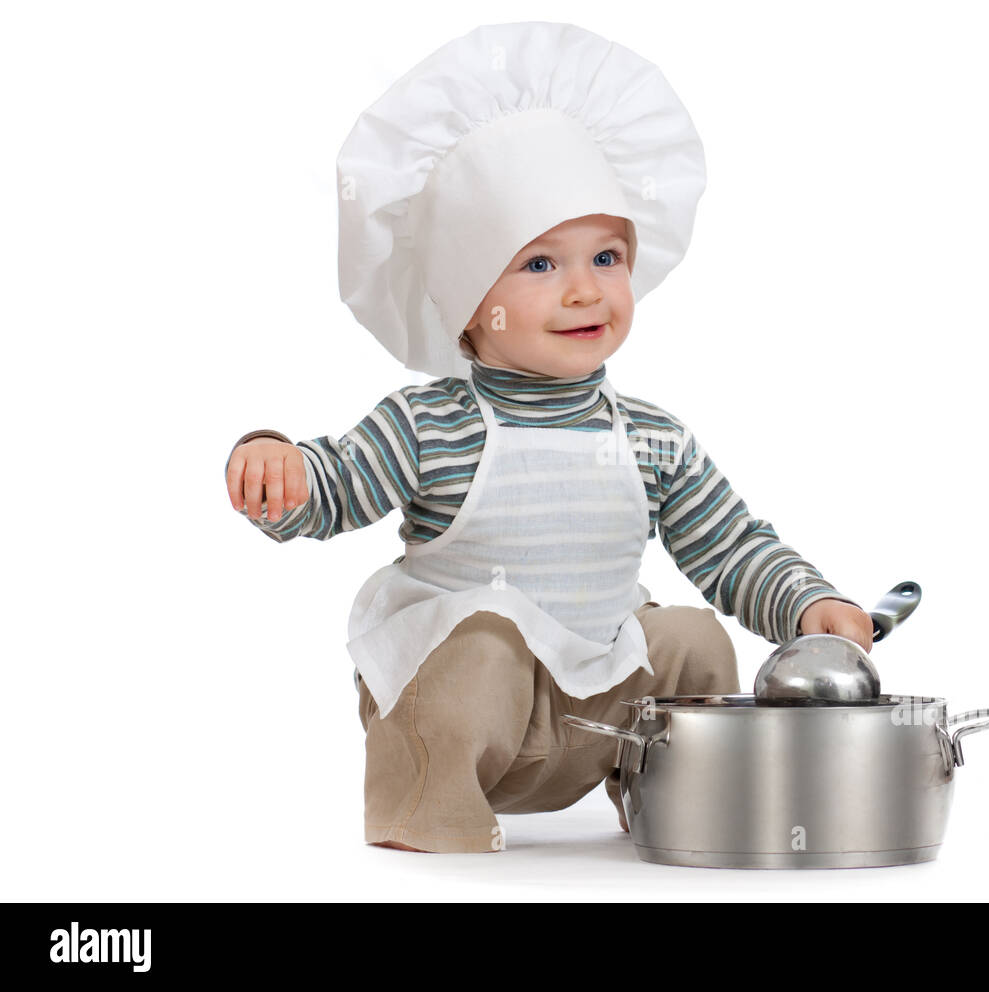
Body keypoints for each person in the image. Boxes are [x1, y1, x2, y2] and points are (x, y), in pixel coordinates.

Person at [223, 22, 874, 854]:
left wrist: (808, 605)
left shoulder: (648, 437)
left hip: (592, 721)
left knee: (691, 639)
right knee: (490, 646)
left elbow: (732, 545)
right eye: (539, 265)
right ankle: (427, 808)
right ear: (466, 295)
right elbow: (334, 487)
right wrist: (277, 464)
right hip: (468, 716)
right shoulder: (431, 427)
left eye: (607, 256)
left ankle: (679, 803)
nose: (583, 290)